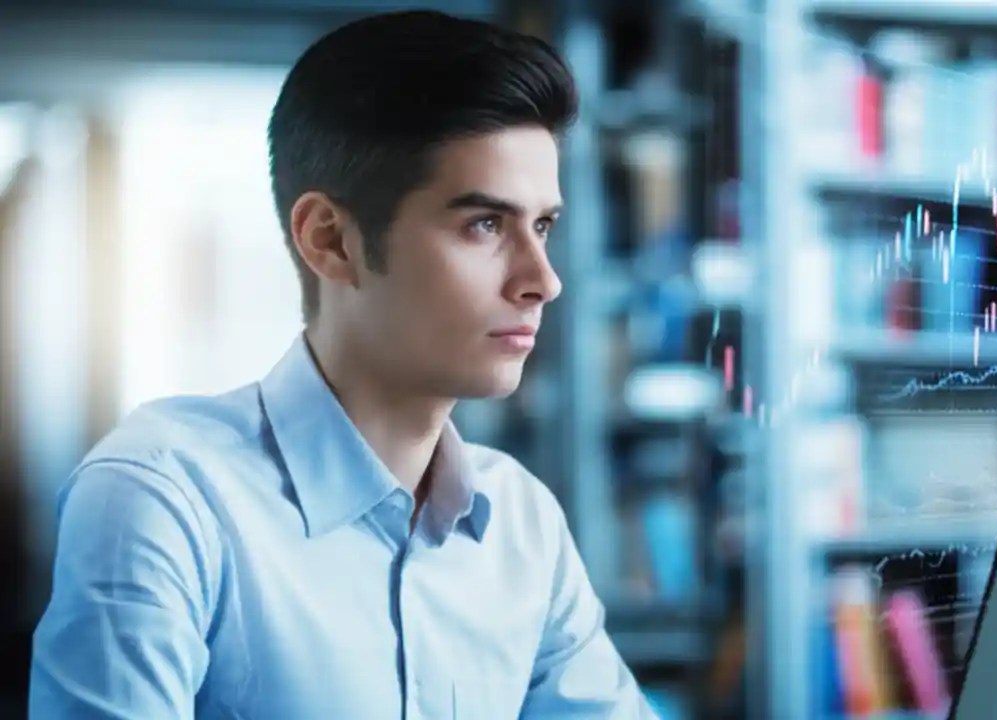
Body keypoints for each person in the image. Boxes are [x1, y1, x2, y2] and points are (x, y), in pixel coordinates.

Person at [28, 10, 656, 719]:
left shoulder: (521, 524)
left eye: (542, 225)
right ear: (330, 240)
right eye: (484, 224)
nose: (542, 278)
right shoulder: (165, 497)